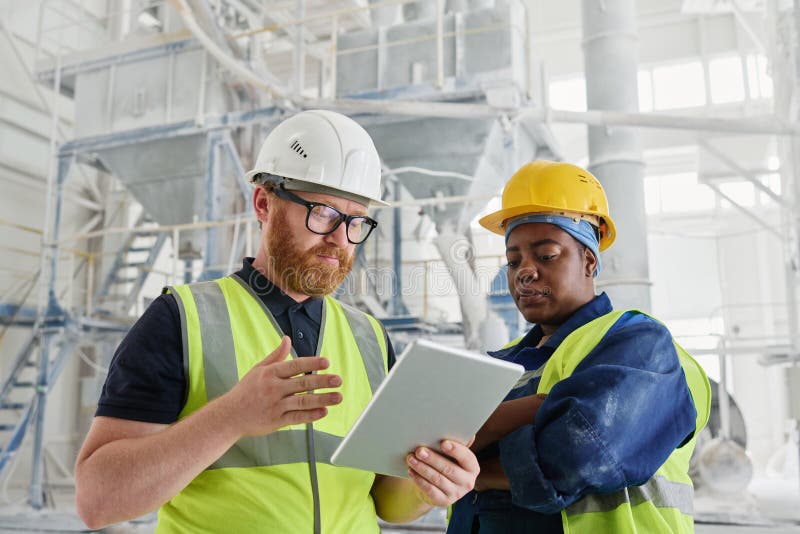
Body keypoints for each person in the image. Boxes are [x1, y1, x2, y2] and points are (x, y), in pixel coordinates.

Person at [74, 110, 479, 534]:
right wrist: (229, 418)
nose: (340, 239)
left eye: (356, 221)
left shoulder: (370, 338)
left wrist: (429, 485)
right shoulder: (182, 319)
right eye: (323, 213)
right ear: (264, 203)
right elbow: (97, 500)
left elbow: (384, 501)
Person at [447, 160, 711, 533]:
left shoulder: (640, 343)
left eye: (546, 255)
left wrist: (469, 461)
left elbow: (581, 453)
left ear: (588, 260)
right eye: (513, 260)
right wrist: (537, 411)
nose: (524, 270)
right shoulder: (498, 365)